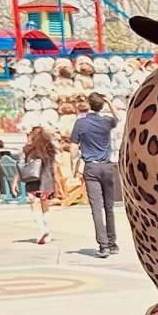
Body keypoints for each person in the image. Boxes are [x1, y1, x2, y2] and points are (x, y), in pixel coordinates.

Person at [69, 92, 119, 257]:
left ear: (89, 104)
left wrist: (73, 165)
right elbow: (118, 117)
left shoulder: (81, 123)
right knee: (109, 207)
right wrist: (109, 101)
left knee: (96, 208)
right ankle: (112, 243)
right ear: (102, 105)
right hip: (107, 166)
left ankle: (103, 246)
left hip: (91, 167)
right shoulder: (106, 122)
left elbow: (73, 147)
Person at [21, 126, 58, 244]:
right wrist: (56, 183)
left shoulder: (28, 149)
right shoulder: (50, 149)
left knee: (34, 204)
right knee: (45, 205)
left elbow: (22, 164)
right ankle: (47, 231)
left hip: (33, 181)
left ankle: (43, 229)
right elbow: (54, 168)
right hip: (47, 181)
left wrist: (16, 181)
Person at [0, 138, 23, 204]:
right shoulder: (12, 159)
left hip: (5, 173)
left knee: (3, 179)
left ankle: (5, 193)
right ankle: (17, 193)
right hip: (15, 176)